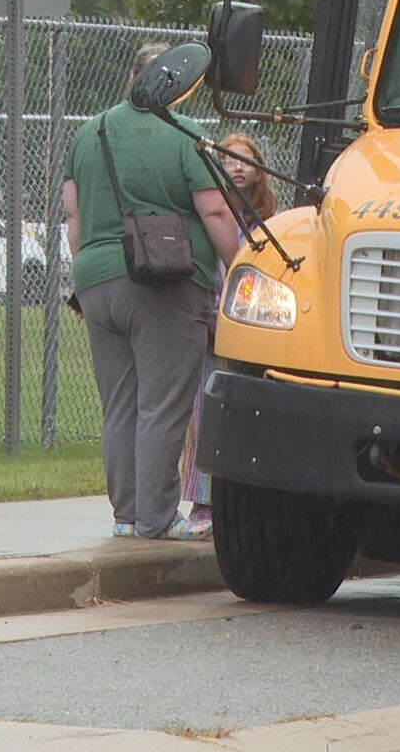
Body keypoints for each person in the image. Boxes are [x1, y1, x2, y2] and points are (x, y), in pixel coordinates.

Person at [62, 43, 239, 541]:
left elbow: (73, 217)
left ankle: (126, 514)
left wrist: (88, 274)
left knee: (119, 403)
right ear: (175, 85)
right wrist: (242, 271)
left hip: (96, 280)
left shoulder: (89, 131)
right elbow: (216, 212)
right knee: (162, 405)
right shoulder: (184, 134)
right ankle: (158, 519)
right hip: (166, 283)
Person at [177, 132, 278, 533]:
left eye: (246, 161)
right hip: (208, 327)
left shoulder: (268, 220)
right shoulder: (207, 211)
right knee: (202, 414)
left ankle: (245, 501)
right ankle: (203, 503)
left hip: (249, 331)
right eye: (229, 160)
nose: (237, 168)